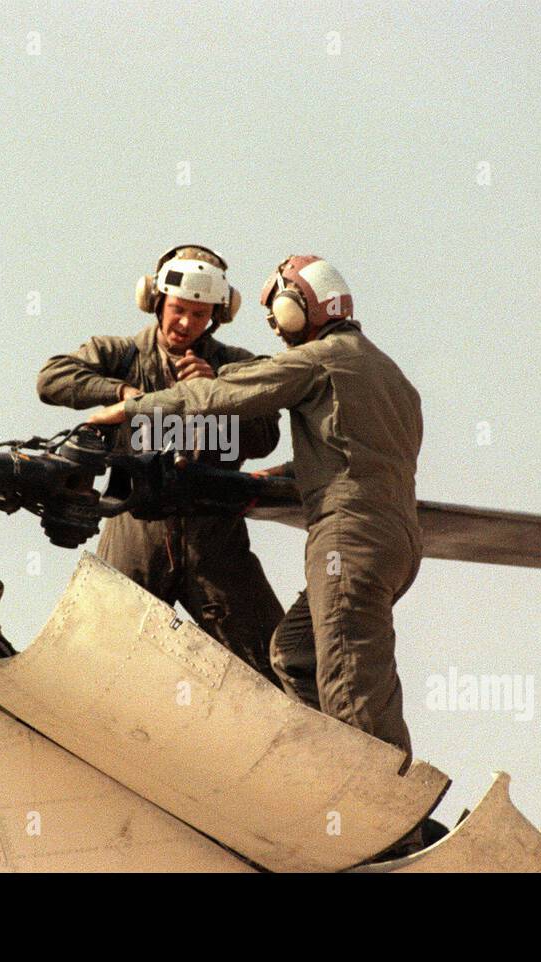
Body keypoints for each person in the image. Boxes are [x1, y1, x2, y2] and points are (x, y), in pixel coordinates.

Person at [86, 254, 423, 765]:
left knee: (350, 685)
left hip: (346, 543)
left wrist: (129, 408)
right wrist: (281, 477)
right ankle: (320, 774)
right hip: (397, 543)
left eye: (277, 316)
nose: (275, 329)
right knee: (293, 652)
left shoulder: (319, 359)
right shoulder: (391, 376)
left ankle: (384, 815)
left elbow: (224, 392)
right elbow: (357, 455)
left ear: (295, 310)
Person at [37, 245, 284, 684]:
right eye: (178, 310)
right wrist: (122, 396)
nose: (186, 324)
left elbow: (266, 437)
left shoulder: (238, 367)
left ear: (217, 316)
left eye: (200, 314)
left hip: (215, 537)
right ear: (156, 301)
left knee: (274, 664)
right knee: (95, 666)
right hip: (134, 528)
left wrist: (218, 395)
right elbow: (52, 378)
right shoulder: (121, 355)